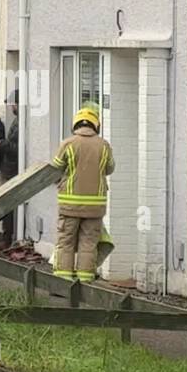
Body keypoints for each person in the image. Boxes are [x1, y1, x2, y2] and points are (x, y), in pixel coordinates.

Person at [49, 106, 114, 283]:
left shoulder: (68, 144)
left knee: (66, 242)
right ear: (96, 125)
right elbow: (109, 169)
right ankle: (85, 282)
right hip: (95, 206)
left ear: (75, 124)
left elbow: (55, 169)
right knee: (88, 244)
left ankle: (63, 282)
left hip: (69, 204)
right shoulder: (104, 145)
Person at [0, 89, 19, 246]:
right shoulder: (18, 120)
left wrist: (1, 144)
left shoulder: (20, 122)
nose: (11, 107)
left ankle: (7, 238)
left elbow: (17, 148)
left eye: (12, 104)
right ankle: (7, 237)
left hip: (12, 170)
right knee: (6, 205)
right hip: (9, 169)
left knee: (7, 205)